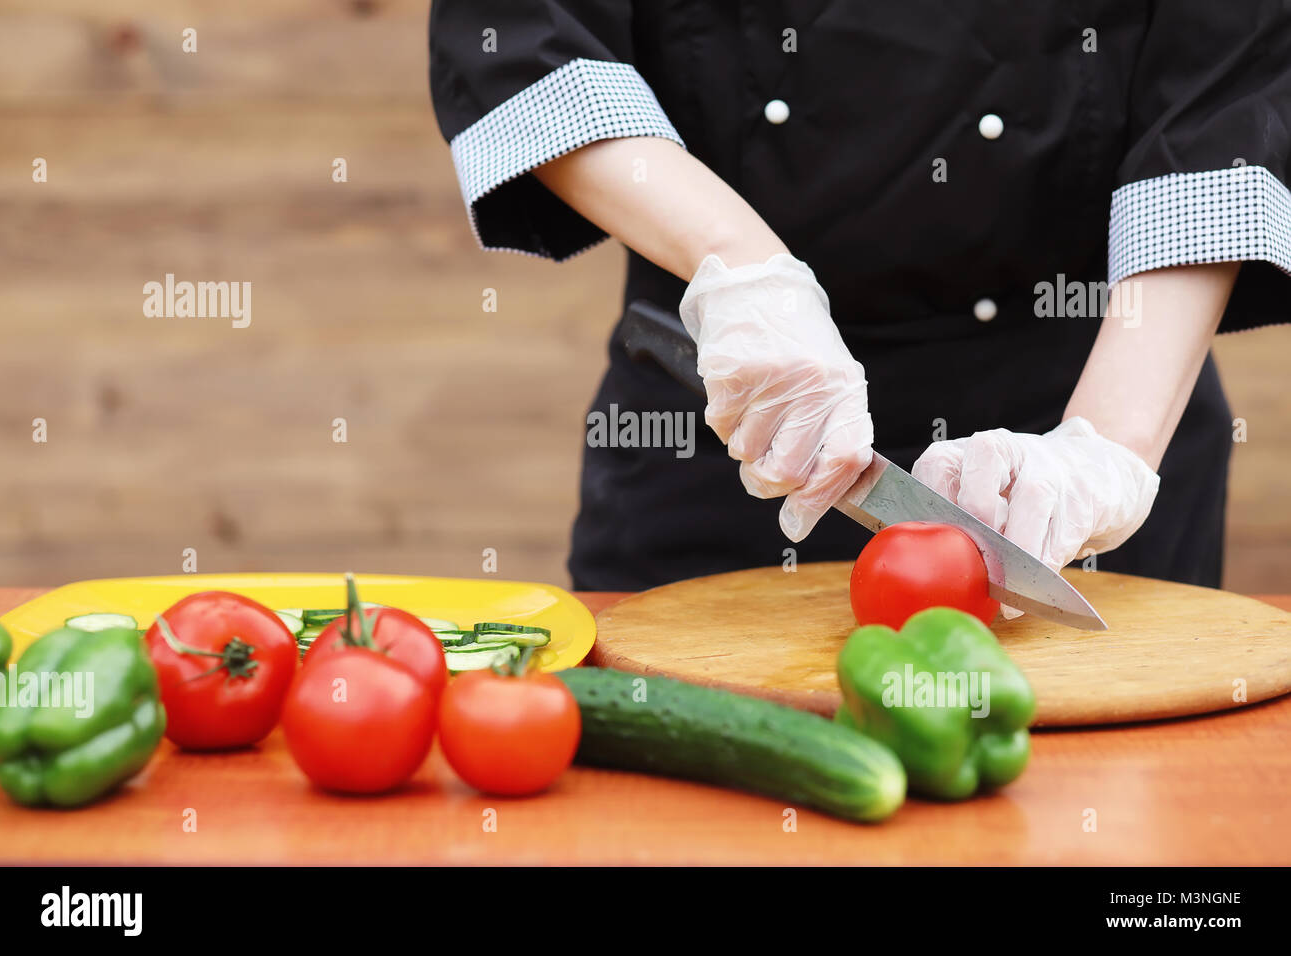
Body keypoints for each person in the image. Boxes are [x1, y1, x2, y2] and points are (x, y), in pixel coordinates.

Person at [429, 2, 1291, 602]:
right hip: (734, 423)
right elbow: (528, 43)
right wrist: (744, 269)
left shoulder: (1096, 450)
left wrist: (1106, 448)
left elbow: (1229, 98)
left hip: (1083, 420)